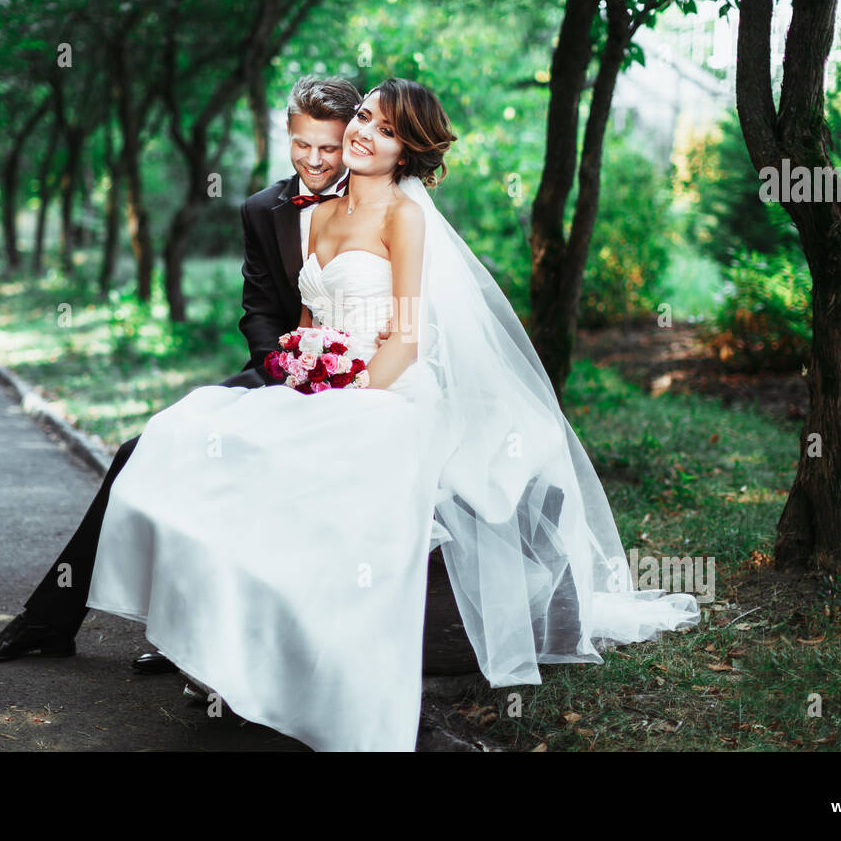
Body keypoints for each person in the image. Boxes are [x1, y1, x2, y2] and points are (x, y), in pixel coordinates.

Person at [84, 79, 701, 751]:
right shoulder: (319, 213)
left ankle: (312, 676)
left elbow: (405, 337)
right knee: (190, 434)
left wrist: (349, 395)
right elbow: (307, 321)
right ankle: (227, 645)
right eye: (363, 117)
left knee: (307, 480)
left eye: (384, 130)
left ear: (405, 152)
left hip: (387, 390)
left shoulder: (403, 218)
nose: (362, 132)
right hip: (322, 384)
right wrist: (300, 368)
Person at [0, 76, 389, 676]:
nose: (313, 160)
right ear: (287, 136)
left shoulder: (383, 202)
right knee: (140, 450)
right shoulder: (262, 209)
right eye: (301, 144)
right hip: (280, 376)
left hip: (361, 388)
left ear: (353, 142)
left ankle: (190, 638)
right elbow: (260, 312)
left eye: (329, 147)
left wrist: (343, 379)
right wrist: (283, 373)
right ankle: (48, 624)